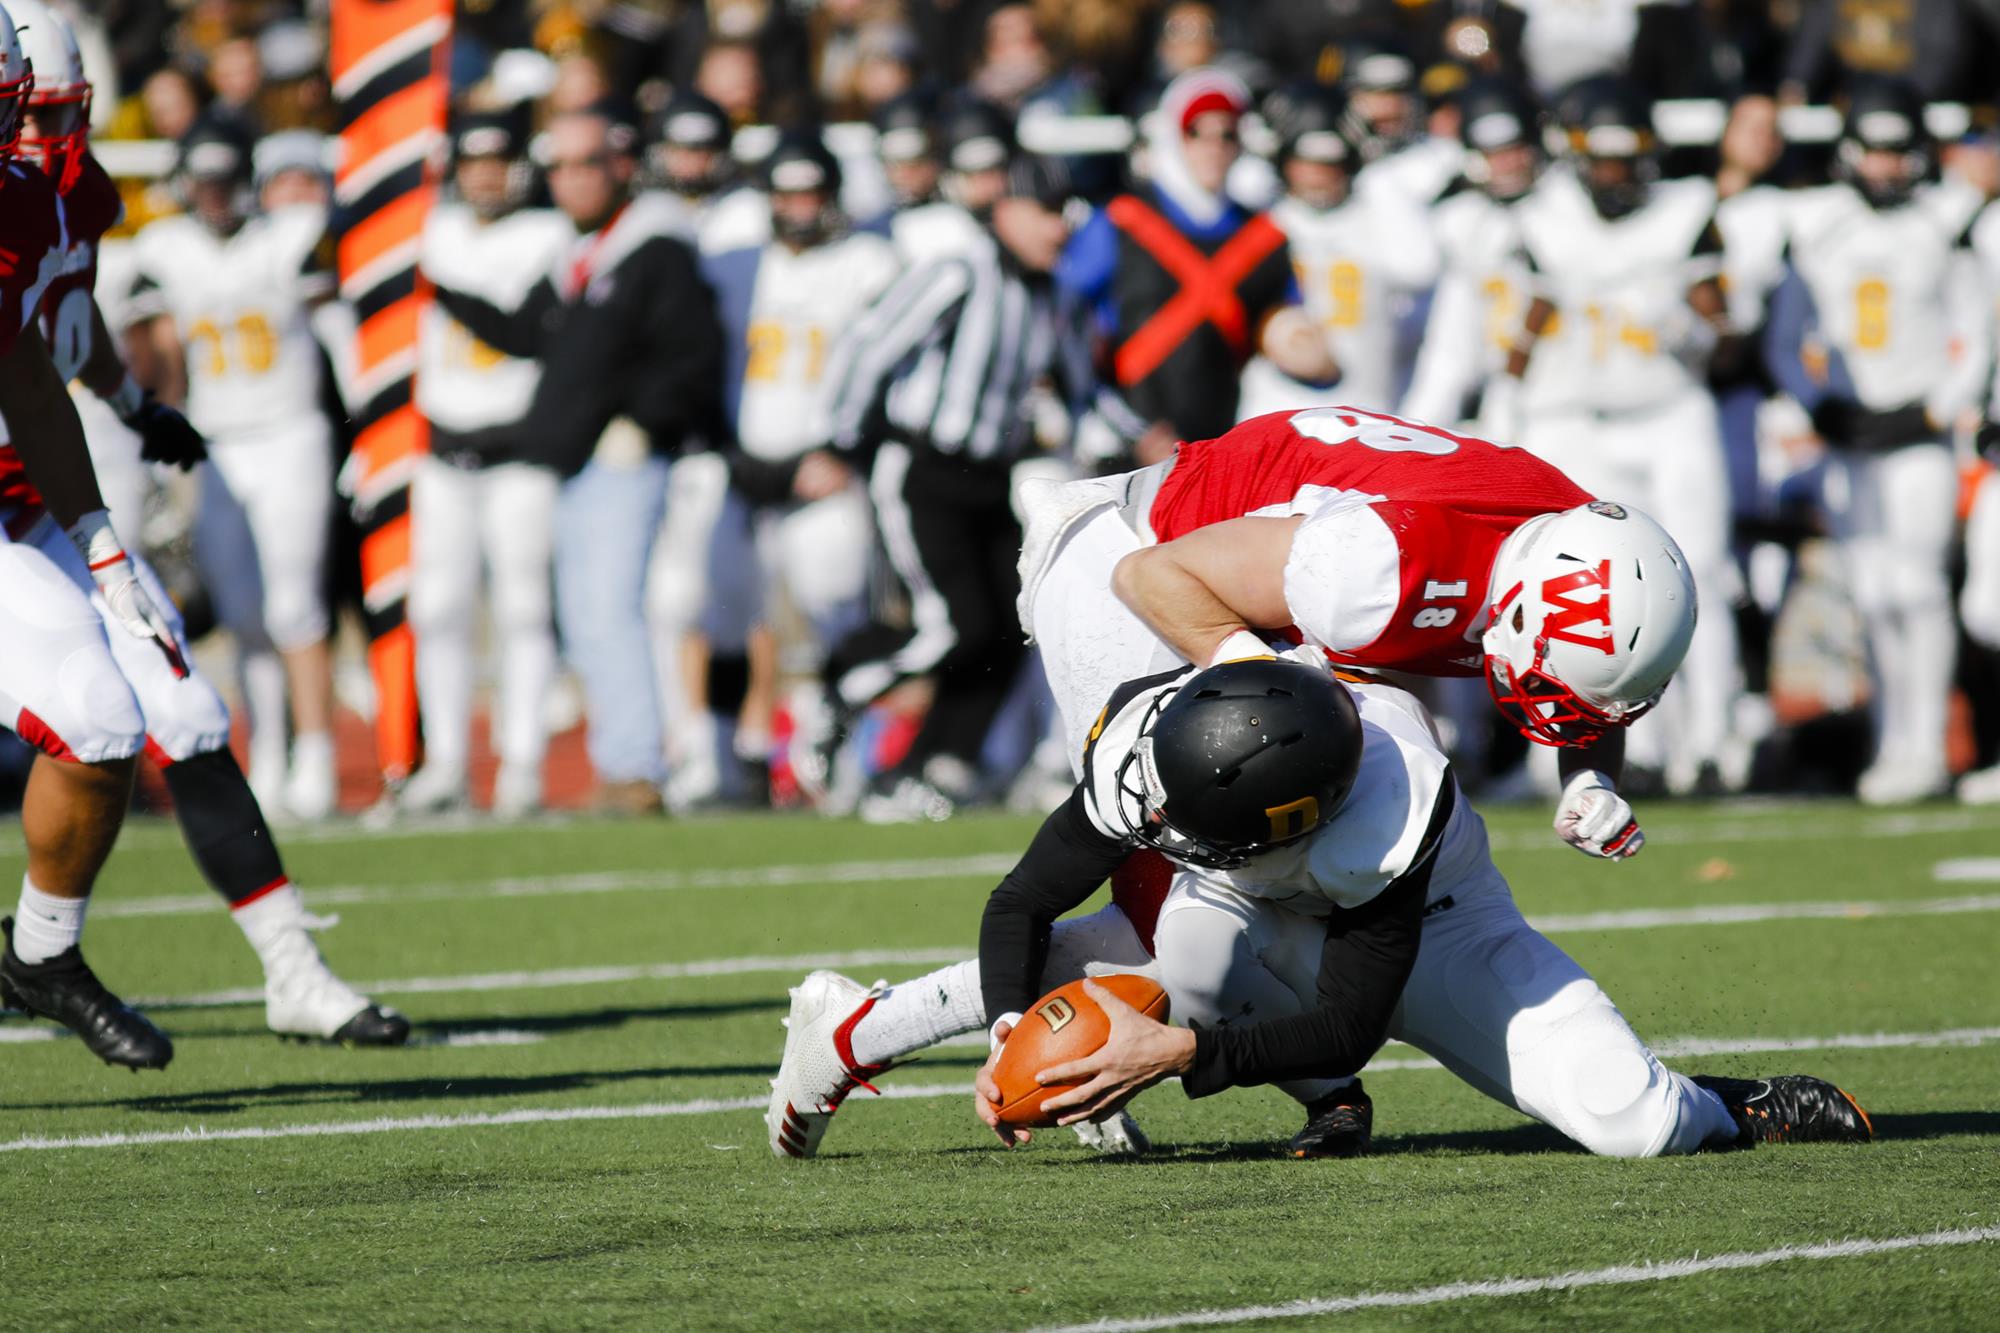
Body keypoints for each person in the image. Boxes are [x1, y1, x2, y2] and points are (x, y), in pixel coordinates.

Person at [767, 405, 1708, 1156]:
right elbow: (1155, 576)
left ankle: (1292, 1077)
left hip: (1225, 578)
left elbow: (1589, 688)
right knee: (1169, 902)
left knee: (1241, 885)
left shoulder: (1574, 542)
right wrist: (1278, 705)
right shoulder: (1378, 571)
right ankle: (856, 1030)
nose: (1561, 709)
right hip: (1125, 558)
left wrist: (1589, 776)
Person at [0, 2, 406, 1059]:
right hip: (28, 514)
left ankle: (290, 970)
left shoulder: (57, 197)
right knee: (95, 718)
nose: (35, 140)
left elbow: (57, 344)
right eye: (20, 115)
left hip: (39, 502)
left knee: (178, 710)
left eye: (45, 113)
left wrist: (130, 409)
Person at [802, 152, 1152, 822]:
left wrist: (1146, 441)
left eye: (1066, 214)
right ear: (1007, 212)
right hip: (922, 469)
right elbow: (870, 346)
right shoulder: (959, 270)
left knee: (1005, 630)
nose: (1060, 229)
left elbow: (1086, 393)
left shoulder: (1058, 296)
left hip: (989, 478)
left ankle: (934, 763)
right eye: (1046, 213)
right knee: (950, 622)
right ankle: (835, 694)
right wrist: (837, 440)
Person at [425, 102, 726, 816]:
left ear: (621, 165)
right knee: (589, 614)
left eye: (585, 162)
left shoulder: (656, 248)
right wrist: (430, 284)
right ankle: (626, 759)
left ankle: (638, 766)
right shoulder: (579, 250)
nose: (569, 179)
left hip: (623, 456)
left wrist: (640, 423)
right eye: (556, 165)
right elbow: (525, 331)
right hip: (580, 460)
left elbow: (693, 355)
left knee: (611, 609)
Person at [1495, 77, 1746, 794]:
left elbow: (1725, 335)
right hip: (1588, 421)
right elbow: (1529, 325)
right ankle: (1642, 746)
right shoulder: (1547, 220)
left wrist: (1693, 330)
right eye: (1599, 162)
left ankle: (1716, 743)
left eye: (1622, 161)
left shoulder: (1687, 212)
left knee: (1700, 571)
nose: (1611, 177)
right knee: (1604, 592)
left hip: (1672, 414)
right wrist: (1507, 406)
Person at [649, 131, 900, 810]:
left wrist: (847, 451)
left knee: (834, 605)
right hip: (741, 461)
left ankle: (839, 756)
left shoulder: (867, 263)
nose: (796, 207)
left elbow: (888, 369)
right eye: (784, 194)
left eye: (809, 194)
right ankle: (728, 759)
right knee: (720, 610)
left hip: (821, 466)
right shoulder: (733, 264)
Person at [1766, 77, 1991, 804]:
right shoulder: (1819, 227)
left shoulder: (1943, 223)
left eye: (1901, 153)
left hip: (1917, 433)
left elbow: (1978, 338)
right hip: (1850, 436)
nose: (1890, 168)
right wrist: (1817, 405)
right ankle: (1893, 737)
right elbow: (1781, 338)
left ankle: (1926, 743)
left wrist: (1937, 409)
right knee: (1871, 588)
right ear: (1849, 152)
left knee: (1918, 586)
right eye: (1878, 152)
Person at [131, 114, 341, 820]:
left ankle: (317, 756)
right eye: (205, 182)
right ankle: (269, 755)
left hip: (289, 434)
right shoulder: (167, 247)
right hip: (215, 443)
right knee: (246, 615)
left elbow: (337, 319)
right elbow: (154, 347)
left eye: (226, 181)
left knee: (295, 605)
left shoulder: (288, 236)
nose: (216, 197)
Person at [399, 110, 573, 818]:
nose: (485, 175)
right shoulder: (428, 231)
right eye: (472, 162)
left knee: (523, 607)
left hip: (518, 449)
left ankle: (521, 761)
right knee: (438, 608)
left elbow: (521, 330)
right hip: (441, 450)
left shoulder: (547, 235)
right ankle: (446, 760)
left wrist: (433, 284)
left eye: (497, 160)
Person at [1060, 68, 1335, 450]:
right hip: (1122, 445)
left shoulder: (1265, 237)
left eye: (1227, 134)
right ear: (1174, 136)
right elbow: (1063, 316)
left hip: (1216, 446)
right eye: (1196, 132)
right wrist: (1126, 427)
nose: (1213, 147)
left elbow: (1288, 327)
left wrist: (1306, 353)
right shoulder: (1122, 220)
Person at [1236, 84, 1439, 420]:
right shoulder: (1265, 222)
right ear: (1283, 161)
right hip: (1274, 412)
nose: (1317, 176)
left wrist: (1376, 170)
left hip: (1364, 416)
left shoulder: (1373, 219)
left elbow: (1419, 267)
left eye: (1331, 163)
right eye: (1305, 162)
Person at [1401, 76, 1543, 429]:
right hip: (1496, 383)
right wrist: (1416, 430)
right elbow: (1450, 348)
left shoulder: (1565, 210)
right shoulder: (1460, 221)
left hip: (1558, 388)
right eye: (1494, 154)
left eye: (1514, 150)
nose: (1507, 164)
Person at [642, 89, 764, 256]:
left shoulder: (747, 208)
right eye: (679, 149)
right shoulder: (645, 210)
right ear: (661, 152)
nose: (691, 161)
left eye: (702, 150)